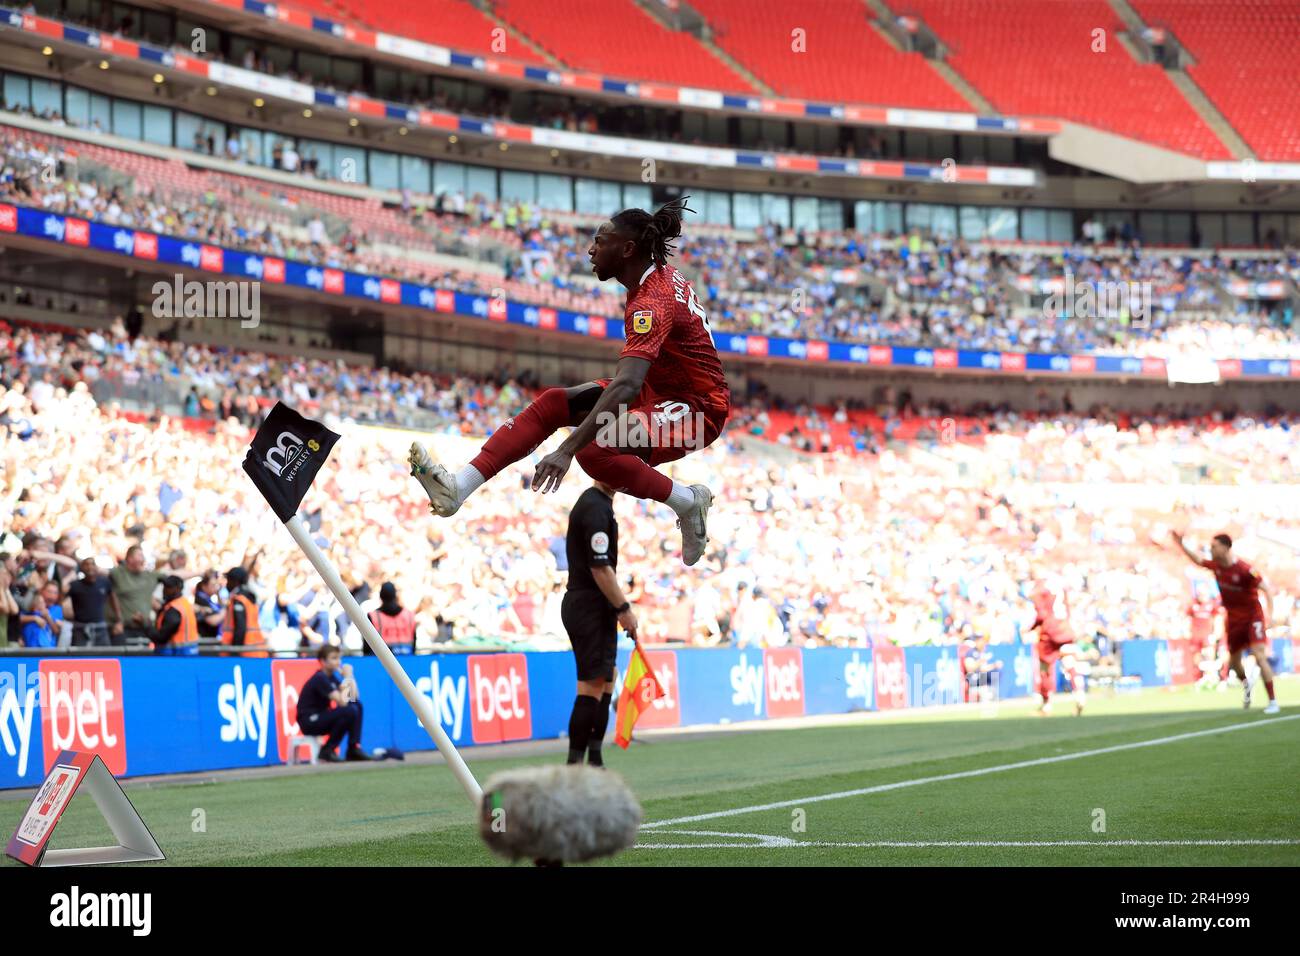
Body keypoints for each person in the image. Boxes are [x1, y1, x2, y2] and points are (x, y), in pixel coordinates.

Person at [409, 197, 729, 567]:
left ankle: (689, 502)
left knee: (593, 450)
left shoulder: (650, 302)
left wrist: (565, 450)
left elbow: (625, 385)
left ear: (627, 249)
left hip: (697, 412)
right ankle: (457, 488)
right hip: (659, 391)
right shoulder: (652, 277)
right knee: (554, 403)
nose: (591, 249)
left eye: (600, 240)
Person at [561, 480, 636, 767]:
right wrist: (624, 608)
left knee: (607, 680)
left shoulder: (599, 504)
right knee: (591, 686)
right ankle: (575, 769)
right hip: (589, 605)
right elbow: (600, 568)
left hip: (594, 604)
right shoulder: (594, 507)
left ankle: (594, 760)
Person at [1171, 531, 1279, 714]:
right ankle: (1247, 684)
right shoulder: (1216, 566)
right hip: (1233, 621)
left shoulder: (1245, 570)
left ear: (1226, 547)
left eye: (1214, 547)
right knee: (1235, 666)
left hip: (1253, 617)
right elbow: (1198, 560)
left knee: (1259, 656)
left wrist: (1270, 615)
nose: (1210, 550)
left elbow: (1266, 589)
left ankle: (1272, 702)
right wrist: (1182, 544)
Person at [295, 645, 372, 762]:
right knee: (349, 710)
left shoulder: (331, 678)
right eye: (334, 658)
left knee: (357, 705)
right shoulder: (319, 678)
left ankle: (353, 748)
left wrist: (350, 677)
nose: (338, 662)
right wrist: (347, 678)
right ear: (323, 661)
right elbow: (342, 702)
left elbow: (354, 697)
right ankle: (327, 750)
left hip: (322, 716)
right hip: (309, 721)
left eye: (338, 658)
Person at [1029, 577, 1085, 716]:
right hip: (1065, 628)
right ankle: (1079, 695)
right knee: (1070, 663)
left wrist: (1031, 627)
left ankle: (1047, 704)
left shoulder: (1039, 589)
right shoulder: (1060, 587)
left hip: (1049, 631)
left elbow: (1041, 615)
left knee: (1045, 667)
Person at [109, 545, 165, 647]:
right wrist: (118, 621)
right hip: (124, 629)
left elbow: (173, 576)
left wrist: (199, 572)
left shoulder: (149, 576)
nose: (143, 559)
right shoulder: (118, 573)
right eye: (140, 555)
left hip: (145, 628)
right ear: (130, 558)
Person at [66, 557, 114, 647]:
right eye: (86, 565)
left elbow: (114, 601)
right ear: (81, 568)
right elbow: (61, 600)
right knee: (79, 658)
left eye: (92, 564)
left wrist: (118, 620)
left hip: (100, 627)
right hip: (80, 628)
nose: (90, 567)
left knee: (105, 657)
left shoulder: (104, 582)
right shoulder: (75, 585)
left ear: (96, 567)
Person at [221, 566, 266, 656]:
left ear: (235, 581)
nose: (227, 583)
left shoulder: (239, 599)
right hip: (255, 650)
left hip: (245, 654)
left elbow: (240, 628)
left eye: (229, 580)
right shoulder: (249, 597)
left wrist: (234, 652)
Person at [149, 575, 199, 656]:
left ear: (177, 589)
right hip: (189, 653)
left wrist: (145, 626)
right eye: (164, 587)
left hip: (175, 657)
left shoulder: (174, 609)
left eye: (168, 587)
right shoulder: (184, 603)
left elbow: (161, 638)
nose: (164, 590)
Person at [366, 582, 416, 655]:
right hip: (407, 660)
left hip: (382, 661)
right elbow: (414, 643)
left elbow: (367, 648)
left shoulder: (373, 616)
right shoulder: (409, 615)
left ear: (381, 596)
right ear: (395, 596)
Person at [20, 579, 63, 649]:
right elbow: (19, 618)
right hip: (29, 648)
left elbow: (56, 630)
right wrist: (34, 618)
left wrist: (47, 617)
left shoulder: (57, 609)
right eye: (49, 592)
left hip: (47, 649)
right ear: (42, 591)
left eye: (55, 593)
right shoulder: (33, 603)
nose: (52, 595)